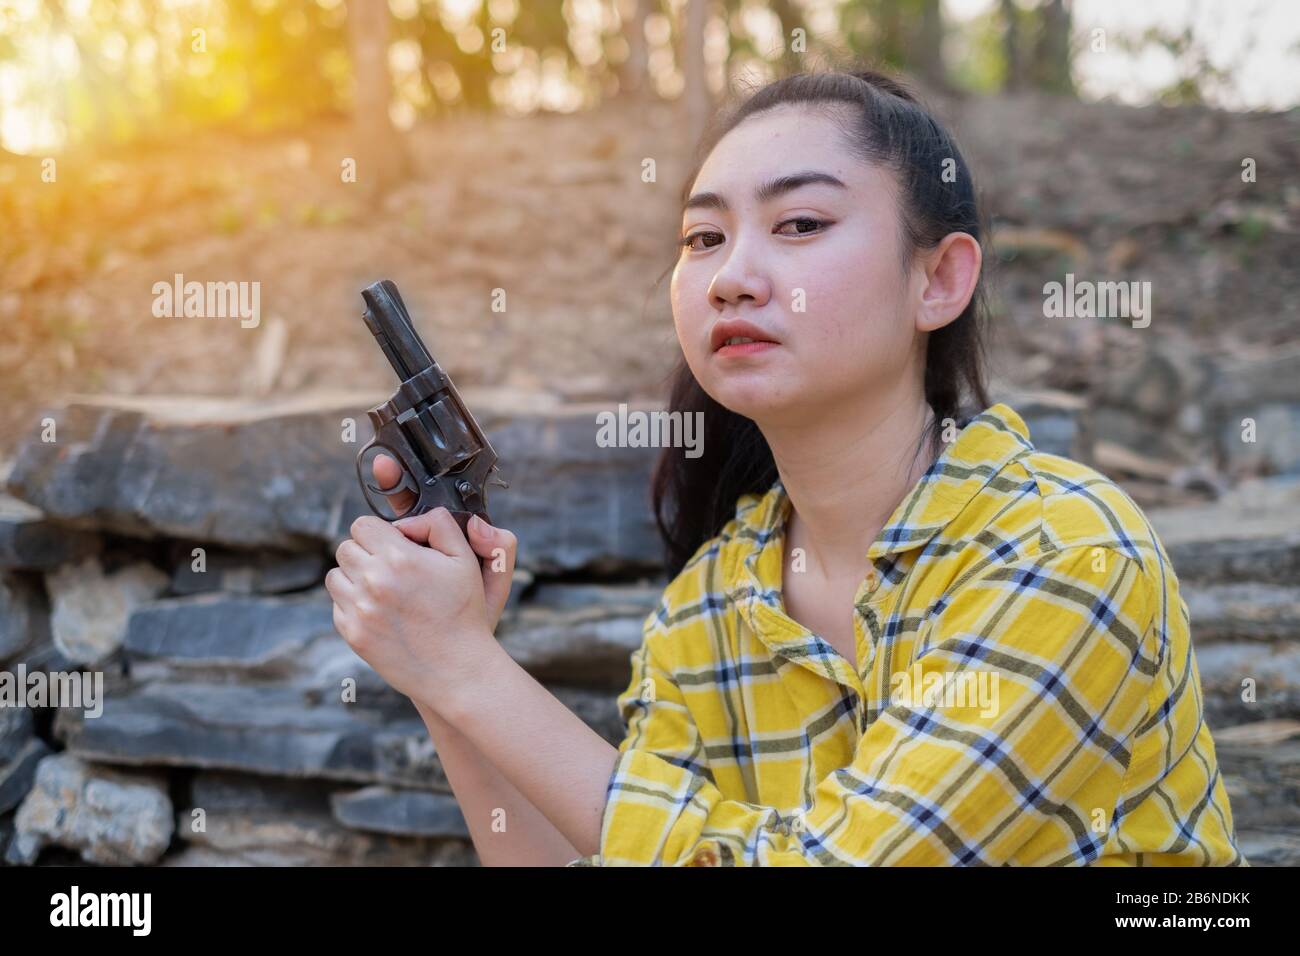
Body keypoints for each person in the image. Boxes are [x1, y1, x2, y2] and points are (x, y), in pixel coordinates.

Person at [325, 66, 1246, 866]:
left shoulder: (1064, 554)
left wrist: (471, 675)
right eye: (703, 238)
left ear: (939, 280)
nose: (733, 274)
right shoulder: (709, 608)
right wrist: (447, 667)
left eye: (801, 222)